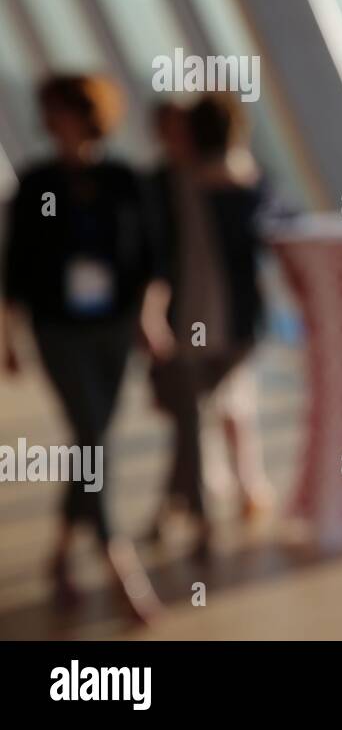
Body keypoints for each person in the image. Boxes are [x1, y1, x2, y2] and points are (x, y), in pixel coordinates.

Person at [0, 75, 170, 623]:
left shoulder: (123, 179)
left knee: (89, 438)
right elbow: (15, 269)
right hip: (58, 331)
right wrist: (8, 338)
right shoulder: (36, 183)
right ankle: (119, 562)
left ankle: (59, 554)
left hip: (113, 329)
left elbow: (151, 258)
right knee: (93, 435)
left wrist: (150, 318)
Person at [146, 94, 275, 559]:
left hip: (232, 324)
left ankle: (182, 514)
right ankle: (197, 517)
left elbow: (269, 227)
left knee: (199, 419)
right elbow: (155, 257)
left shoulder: (240, 182)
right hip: (186, 324)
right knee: (194, 419)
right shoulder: (166, 185)